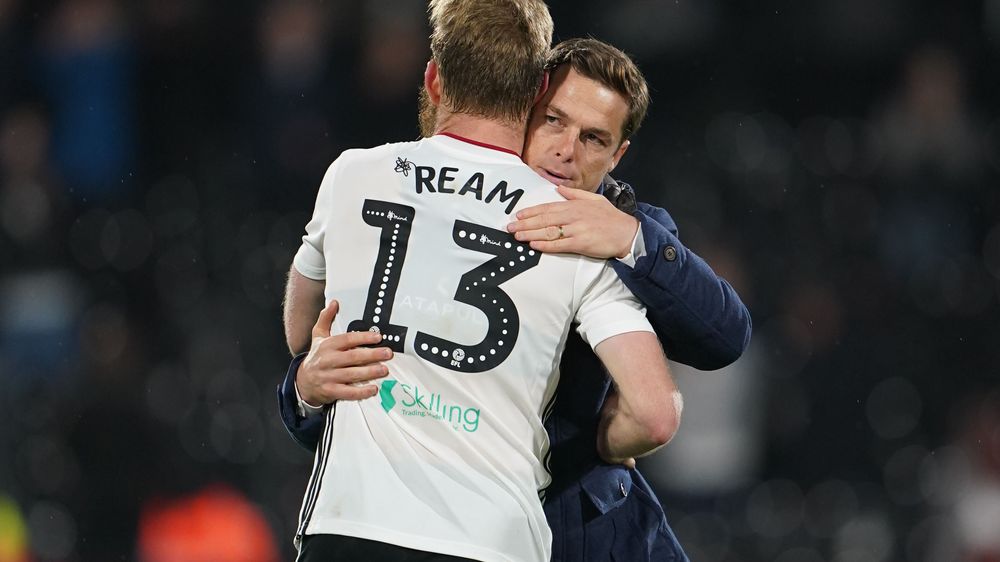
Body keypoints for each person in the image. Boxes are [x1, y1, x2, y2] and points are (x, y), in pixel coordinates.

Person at [279, 37, 751, 561]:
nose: (566, 150)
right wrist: (304, 389)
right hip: (481, 524)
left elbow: (724, 337)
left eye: (593, 138)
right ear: (522, 109)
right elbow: (379, 411)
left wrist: (630, 240)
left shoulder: (623, 236)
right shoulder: (424, 209)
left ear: (618, 155)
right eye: (553, 120)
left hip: (582, 529)